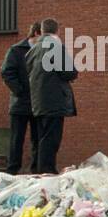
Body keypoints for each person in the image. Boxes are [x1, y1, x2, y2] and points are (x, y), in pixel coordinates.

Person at [26, 18, 77, 174]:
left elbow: (28, 71)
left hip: (38, 101)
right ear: (57, 31)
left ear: (41, 31)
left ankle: (40, 169)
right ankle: (47, 171)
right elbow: (69, 72)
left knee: (41, 138)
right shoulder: (55, 46)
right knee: (51, 139)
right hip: (54, 100)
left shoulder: (32, 49)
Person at [0, 21, 42, 173]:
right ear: (37, 33)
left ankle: (36, 169)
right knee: (17, 139)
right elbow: (6, 72)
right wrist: (20, 91)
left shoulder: (45, 51)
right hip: (20, 102)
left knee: (38, 139)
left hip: (39, 103)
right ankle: (12, 170)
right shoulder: (16, 50)